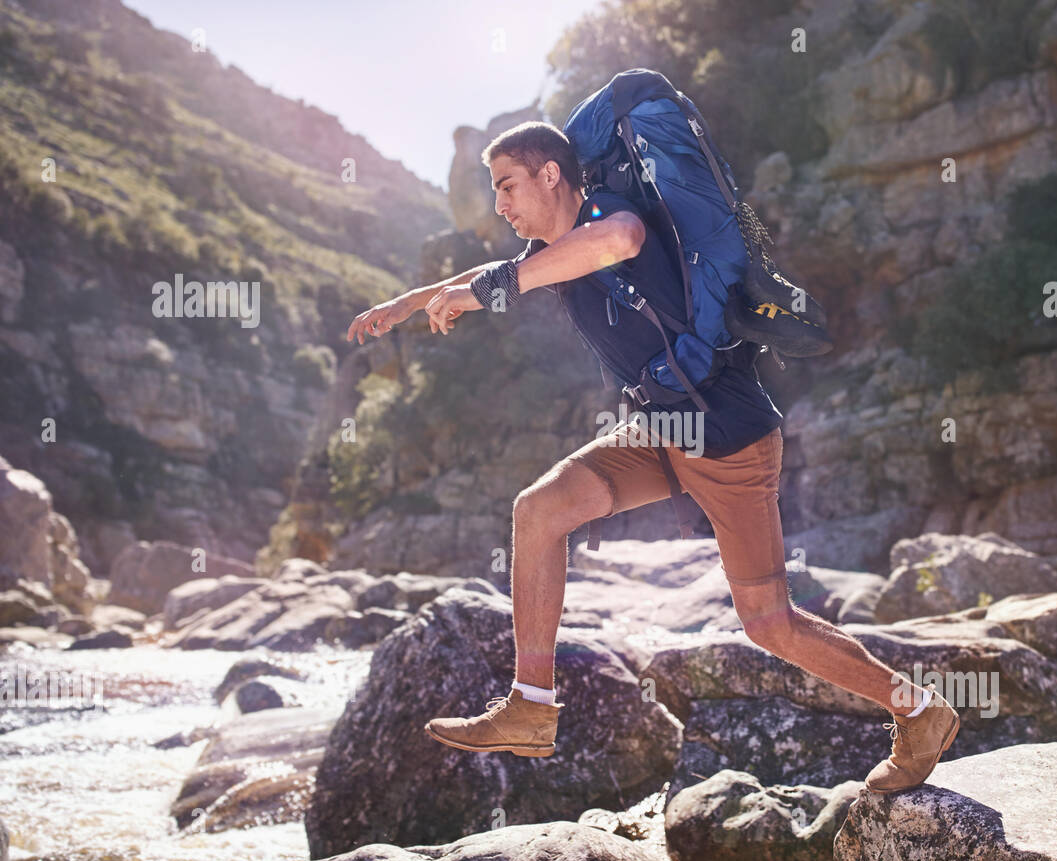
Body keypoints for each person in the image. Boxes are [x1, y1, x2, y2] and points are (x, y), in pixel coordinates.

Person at [345, 121, 959, 793]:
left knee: (771, 625)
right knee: (540, 510)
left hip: (728, 439)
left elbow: (617, 242)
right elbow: (507, 270)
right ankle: (531, 706)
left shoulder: (610, 215)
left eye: (507, 185)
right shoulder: (554, 247)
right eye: (494, 190)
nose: (500, 204)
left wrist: (485, 291)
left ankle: (920, 710)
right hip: (664, 431)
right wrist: (414, 301)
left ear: (552, 175)